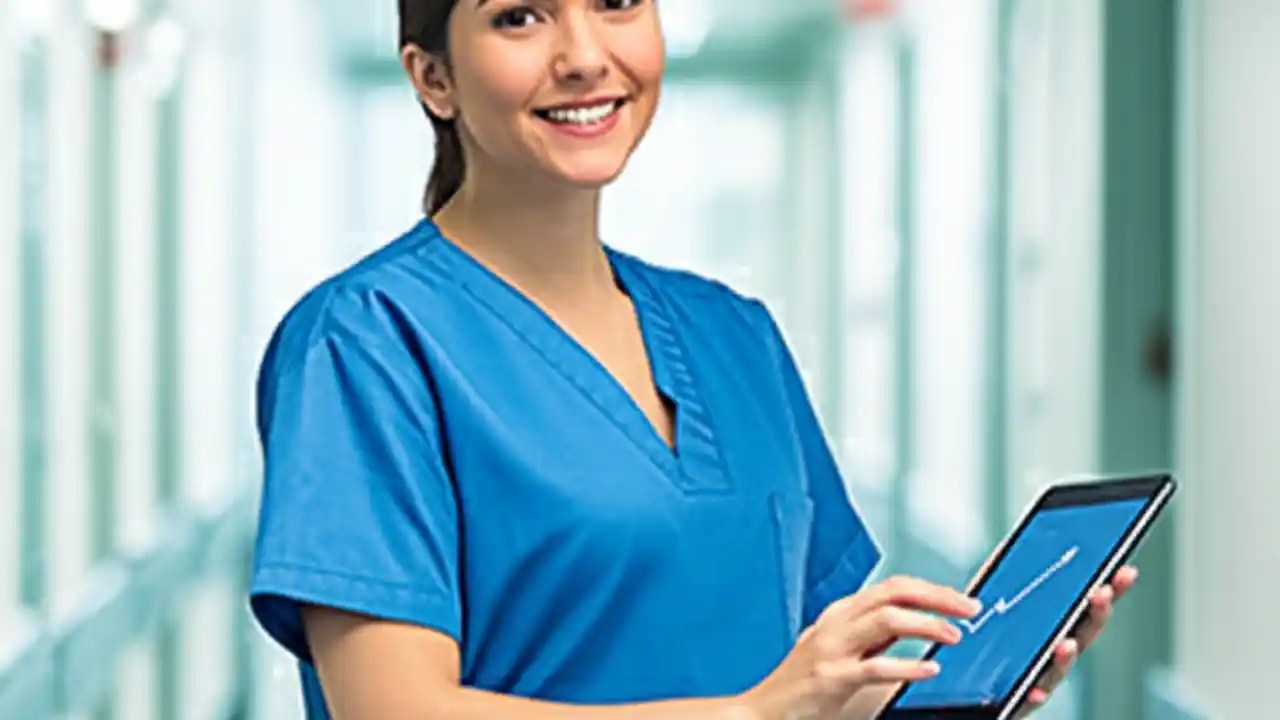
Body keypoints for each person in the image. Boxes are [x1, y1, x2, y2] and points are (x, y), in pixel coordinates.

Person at [247, 1, 1138, 718]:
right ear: (432, 77)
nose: (585, 54)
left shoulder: (734, 334)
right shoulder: (366, 340)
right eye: (521, 17)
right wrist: (748, 715)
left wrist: (961, 690)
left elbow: (804, 696)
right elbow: (393, 709)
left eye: (618, 3)